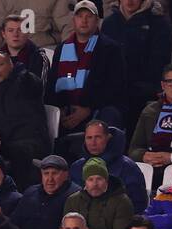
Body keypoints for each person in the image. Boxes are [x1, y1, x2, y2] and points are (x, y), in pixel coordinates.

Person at [47, 1, 126, 135]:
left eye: (89, 16)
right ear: (74, 20)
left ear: (97, 21)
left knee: (110, 114)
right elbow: (52, 85)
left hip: (96, 109)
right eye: (80, 16)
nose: (84, 21)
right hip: (67, 111)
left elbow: (115, 87)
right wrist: (61, 109)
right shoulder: (61, 49)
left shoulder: (111, 49)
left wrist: (88, 109)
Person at [100, 0, 172, 133]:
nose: (130, 1)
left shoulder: (159, 23)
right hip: (114, 92)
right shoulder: (109, 23)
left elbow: (159, 65)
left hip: (144, 92)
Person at [0, 49, 50, 190]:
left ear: (11, 65)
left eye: (0, 65)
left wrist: (22, 72)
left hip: (31, 141)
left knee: (18, 153)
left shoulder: (24, 81)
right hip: (7, 143)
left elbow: (35, 85)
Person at [69, 120, 148, 214]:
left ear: (108, 138)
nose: (93, 143)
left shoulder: (128, 167)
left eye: (98, 137)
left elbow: (139, 204)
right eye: (89, 138)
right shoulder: (76, 167)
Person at [11, 155, 80, 229]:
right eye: (46, 174)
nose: (50, 179)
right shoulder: (30, 193)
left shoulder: (75, 196)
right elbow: (14, 223)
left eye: (55, 173)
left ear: (66, 175)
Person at [63, 156, 134, 229]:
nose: (95, 184)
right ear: (85, 182)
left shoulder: (122, 202)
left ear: (106, 181)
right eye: (90, 179)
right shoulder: (73, 201)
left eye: (99, 179)